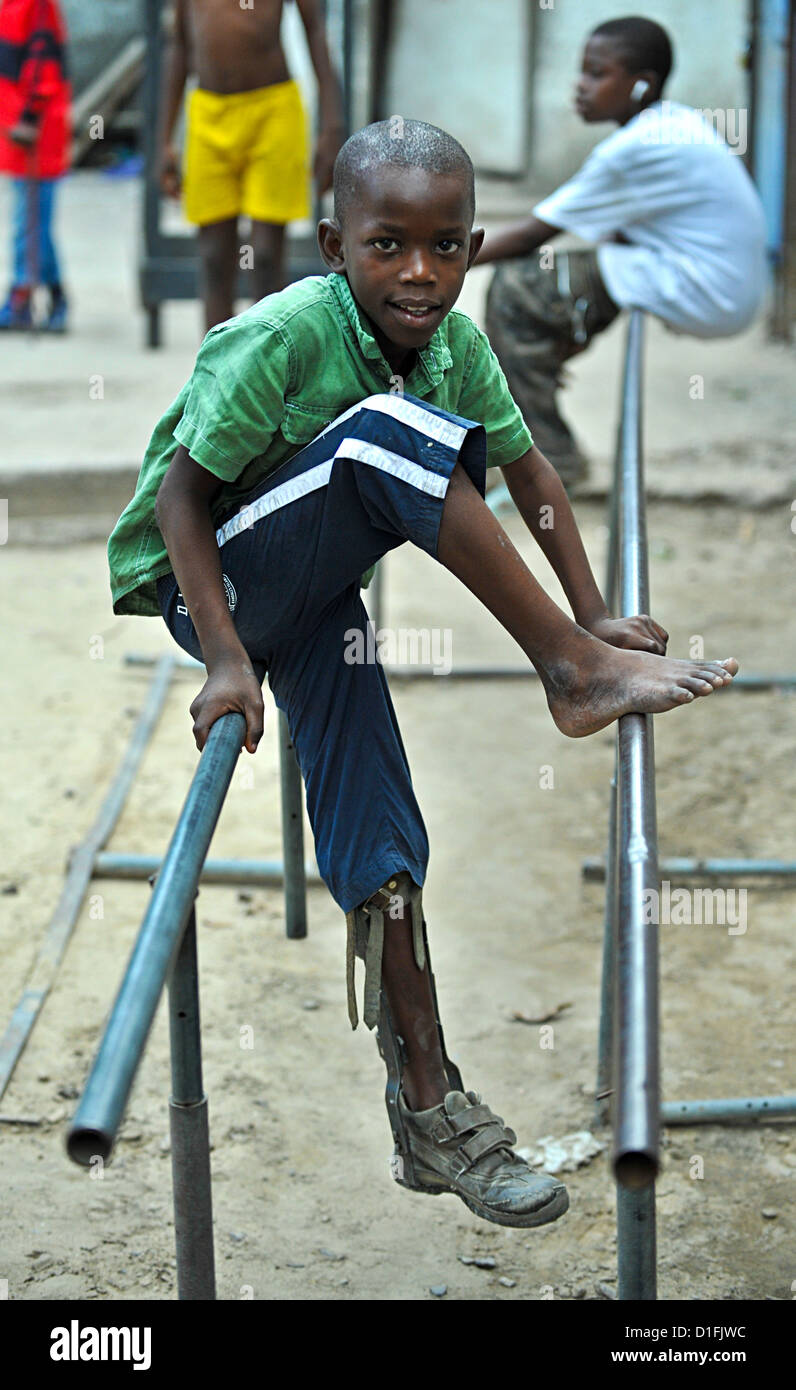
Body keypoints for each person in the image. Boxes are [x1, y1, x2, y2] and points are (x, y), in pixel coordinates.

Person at [108, 120, 738, 1229]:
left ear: (471, 244)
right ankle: (568, 677)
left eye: (445, 248)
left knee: (383, 835)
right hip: (210, 579)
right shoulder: (289, 335)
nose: (419, 273)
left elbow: (527, 464)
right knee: (389, 437)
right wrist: (221, 658)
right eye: (387, 245)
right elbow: (178, 501)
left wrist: (597, 611)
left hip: (311, 586)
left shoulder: (451, 343)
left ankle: (431, 1106)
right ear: (332, 243)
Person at [477, 15, 767, 488]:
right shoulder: (668, 124)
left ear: (641, 84)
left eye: (597, 73)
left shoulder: (639, 146)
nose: (581, 87)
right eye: (582, 72)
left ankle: (551, 454)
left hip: (710, 289)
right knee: (569, 282)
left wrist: (430, 257)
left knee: (521, 287)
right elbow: (615, 235)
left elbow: (533, 234)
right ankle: (537, 416)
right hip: (721, 285)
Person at [159, 0, 345, 331]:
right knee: (215, 256)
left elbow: (315, 29)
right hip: (208, 118)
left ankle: (266, 362)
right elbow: (180, 45)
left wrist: (332, 128)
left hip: (273, 113)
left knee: (265, 255)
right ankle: (218, 368)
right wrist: (164, 141)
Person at [0, 0, 70, 332]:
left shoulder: (38, 6)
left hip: (36, 135)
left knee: (29, 223)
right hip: (16, 133)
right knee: (33, 221)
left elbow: (44, 69)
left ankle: (23, 296)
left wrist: (28, 118)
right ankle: (55, 296)